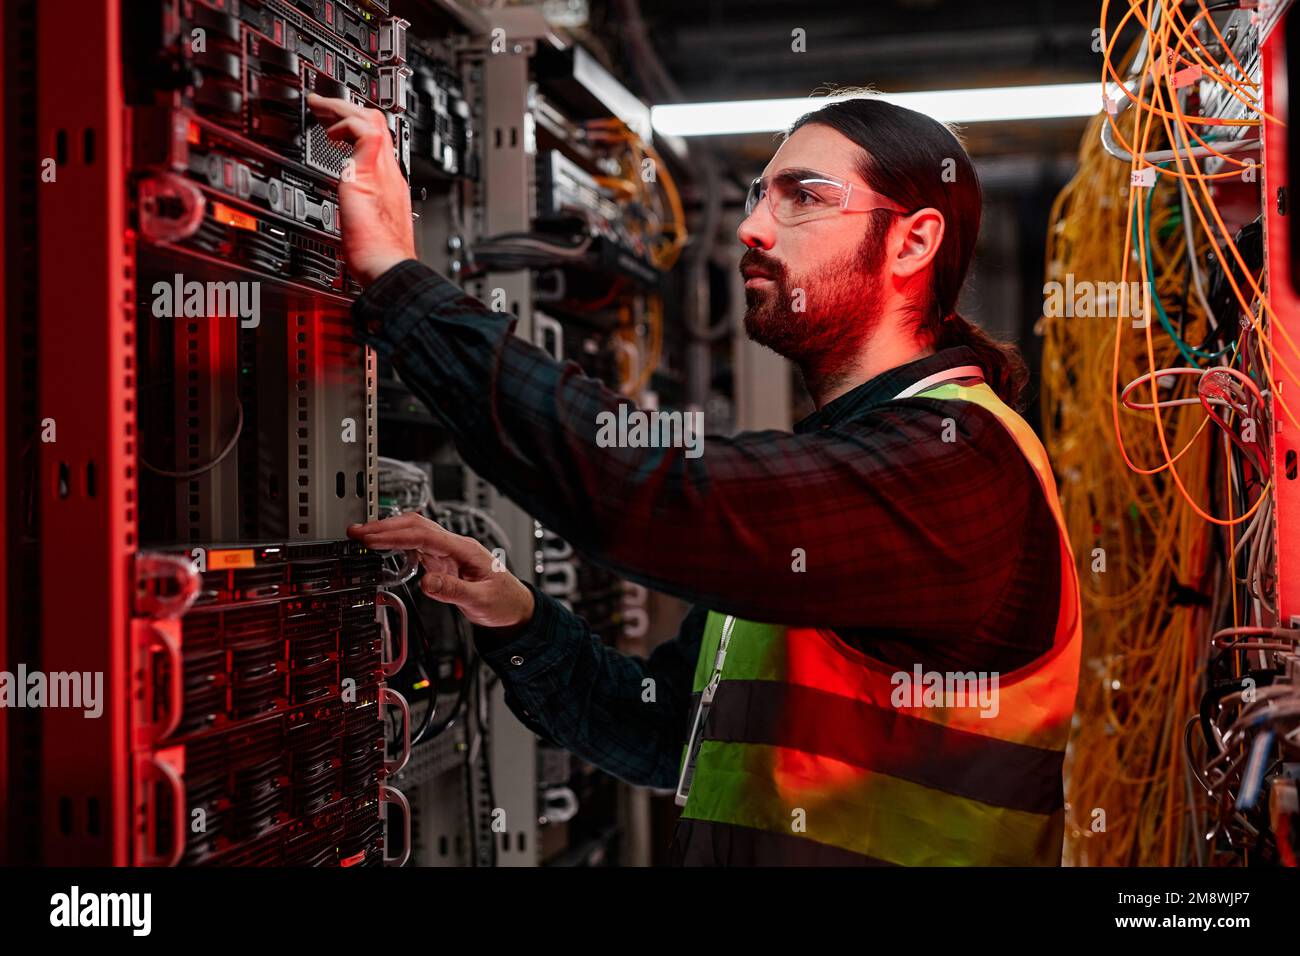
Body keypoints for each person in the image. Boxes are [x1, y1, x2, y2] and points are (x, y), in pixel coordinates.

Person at [307, 90, 1082, 866]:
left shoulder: (959, 460)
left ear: (912, 243)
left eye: (804, 196)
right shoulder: (854, 466)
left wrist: (398, 279)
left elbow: (653, 490)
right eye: (757, 195)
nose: (751, 227)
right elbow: (664, 733)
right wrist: (514, 614)